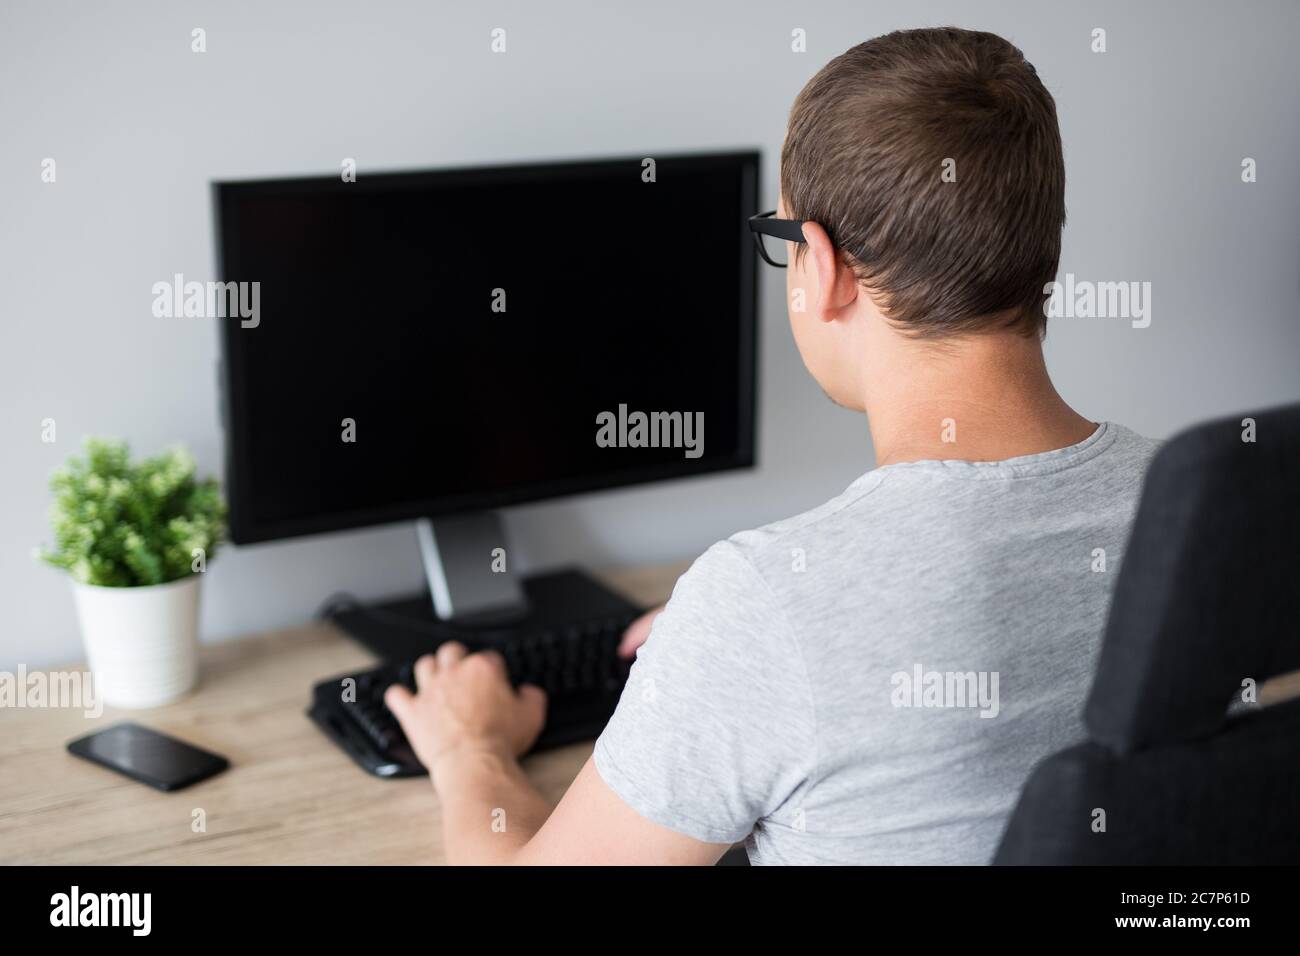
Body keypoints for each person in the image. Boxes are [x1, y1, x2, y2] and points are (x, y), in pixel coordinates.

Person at [384, 26, 1159, 865]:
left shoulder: (765, 607)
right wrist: (730, 648)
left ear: (820, 267)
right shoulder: (1204, 508)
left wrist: (469, 749)